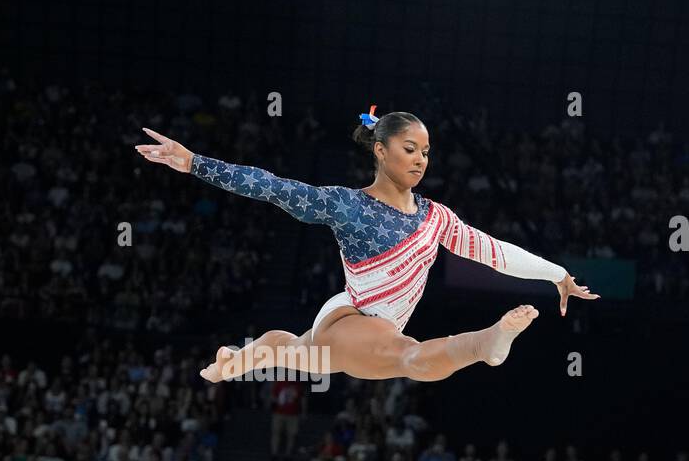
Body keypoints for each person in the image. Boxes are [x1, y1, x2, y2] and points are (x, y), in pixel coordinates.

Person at [135, 109, 597, 385]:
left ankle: (230, 363)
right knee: (410, 358)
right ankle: (486, 344)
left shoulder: (435, 217)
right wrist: (194, 163)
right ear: (380, 150)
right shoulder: (348, 206)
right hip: (358, 322)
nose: (420, 160)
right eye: (410, 149)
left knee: (290, 351)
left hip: (355, 320)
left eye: (425, 152)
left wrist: (557, 274)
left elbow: (494, 251)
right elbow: (273, 187)